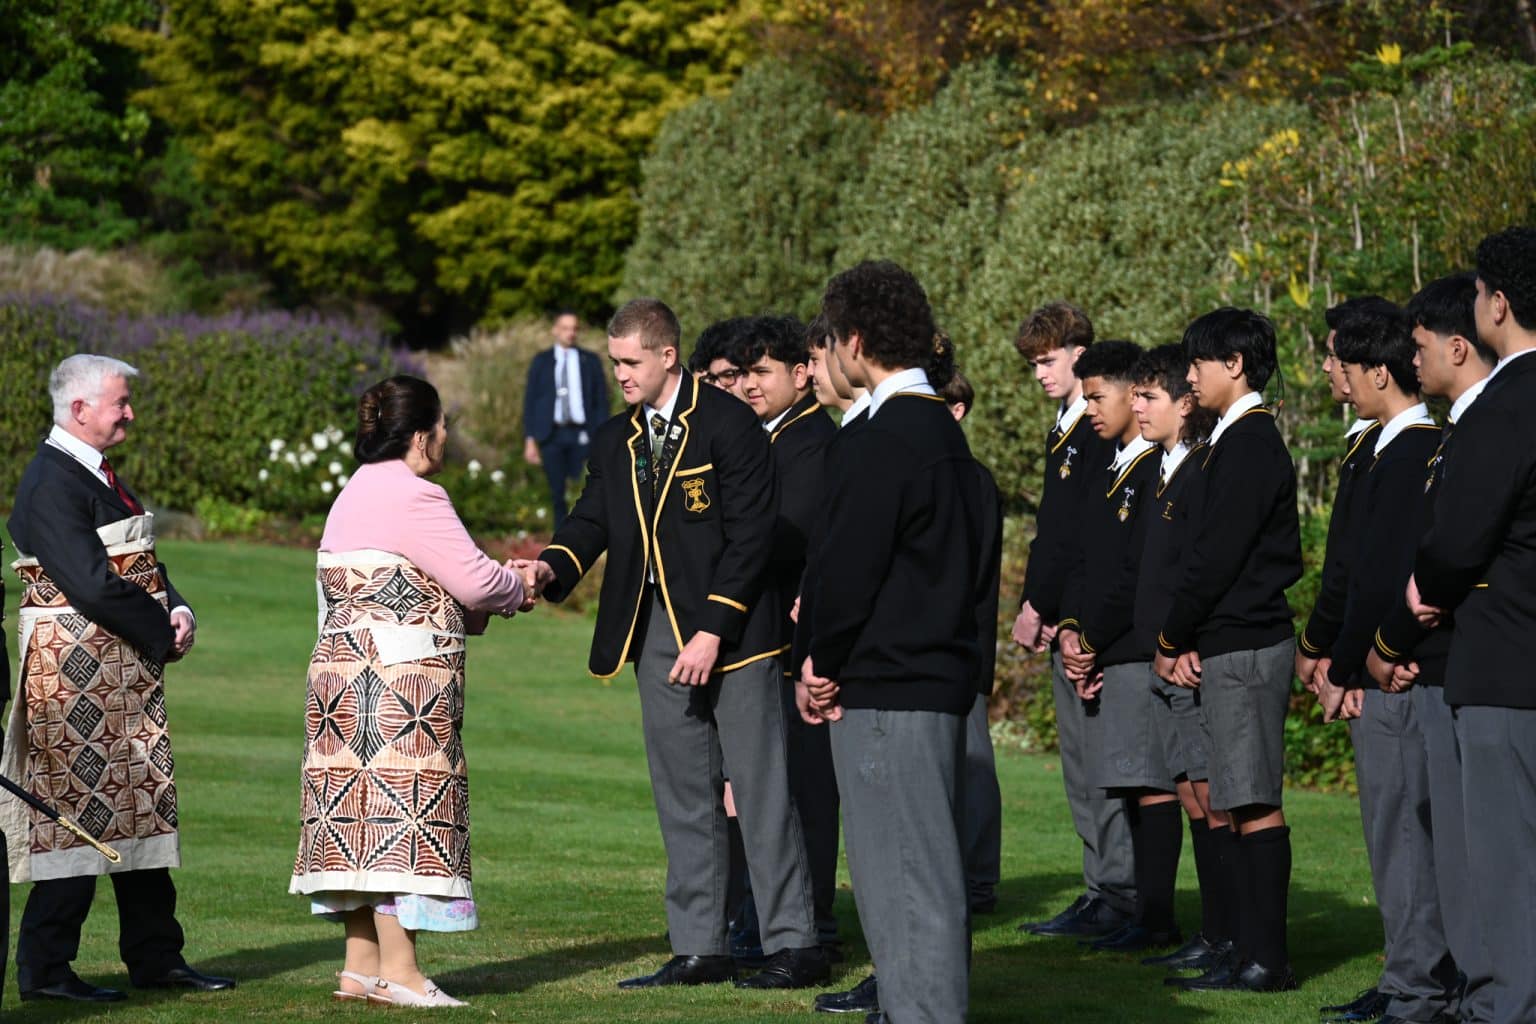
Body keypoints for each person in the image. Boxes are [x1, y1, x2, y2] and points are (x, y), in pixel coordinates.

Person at [521, 298, 827, 991]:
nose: (620, 374)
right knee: (682, 793)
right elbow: (591, 516)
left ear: (666, 356)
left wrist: (714, 629)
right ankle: (699, 947)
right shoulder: (614, 437)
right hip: (651, 628)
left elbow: (752, 535)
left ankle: (794, 943)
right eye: (614, 362)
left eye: (629, 362)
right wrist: (549, 566)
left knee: (760, 789)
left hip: (739, 631)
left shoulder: (730, 424)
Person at [290, 375, 533, 1009]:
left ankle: (360, 964)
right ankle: (400, 969)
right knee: (402, 819)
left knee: (355, 820)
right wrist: (518, 587)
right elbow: (475, 581)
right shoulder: (416, 494)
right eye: (443, 425)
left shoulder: (351, 492)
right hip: (401, 685)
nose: (448, 436)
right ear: (421, 437)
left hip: (341, 680)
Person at [1, 354, 234, 1003]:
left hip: (120, 674)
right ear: (79, 410)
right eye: (119, 403)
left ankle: (157, 957)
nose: (129, 413)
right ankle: (46, 971)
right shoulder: (51, 481)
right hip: (74, 680)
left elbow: (139, 564)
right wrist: (162, 630)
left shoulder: (91, 472)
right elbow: (92, 584)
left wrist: (177, 606)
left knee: (142, 808)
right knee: (79, 817)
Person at [799, 259, 987, 1024]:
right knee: (908, 877)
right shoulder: (935, 432)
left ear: (852, 341)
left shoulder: (884, 436)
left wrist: (821, 663)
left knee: (905, 878)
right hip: (925, 678)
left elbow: (848, 567)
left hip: (887, 685)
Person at [1315, 304, 1458, 1024]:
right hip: (1375, 663)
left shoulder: (1413, 452)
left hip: (1395, 672)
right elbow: (1347, 568)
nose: (1332, 373)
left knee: (1405, 829)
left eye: (1342, 360)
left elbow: (1382, 575)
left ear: (1381, 370)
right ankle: (1406, 971)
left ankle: (1417, 984)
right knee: (1391, 828)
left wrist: (1348, 666)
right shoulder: (1375, 447)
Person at [1408, 226, 1536, 1024]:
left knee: (1505, 860)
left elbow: (1461, 538)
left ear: (1497, 303)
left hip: (1506, 656)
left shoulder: (1508, 402)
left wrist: (1431, 585)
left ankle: (1509, 1006)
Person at [1154, 307, 1302, 994]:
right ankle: (1242, 944)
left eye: (1198, 363)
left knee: (1250, 799)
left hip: (1244, 641)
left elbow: (1215, 557)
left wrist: (1170, 635)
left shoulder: (1249, 444)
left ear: (1234, 364)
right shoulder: (1229, 442)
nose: (1190, 375)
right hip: (1228, 640)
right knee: (1236, 798)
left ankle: (1264, 958)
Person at [1368, 271, 1495, 1024]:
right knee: (1456, 848)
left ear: (1457, 344)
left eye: (1419, 348)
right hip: (1449, 659)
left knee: (1477, 854)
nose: (1412, 363)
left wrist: (1389, 642)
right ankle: (1477, 993)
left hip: (1464, 663)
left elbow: (1444, 556)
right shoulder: (1458, 432)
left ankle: (1484, 998)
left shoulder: (1484, 425)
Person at [1053, 340, 1182, 956]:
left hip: (1132, 647)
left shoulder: (1153, 470)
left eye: (1098, 395)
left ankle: (1154, 915)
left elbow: (1134, 574)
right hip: (1106, 646)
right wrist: (1075, 631)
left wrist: (1095, 638)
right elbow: (1087, 563)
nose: (1091, 408)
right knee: (1130, 782)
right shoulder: (1112, 467)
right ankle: (1142, 913)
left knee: (1151, 783)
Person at [1011, 302, 1135, 940]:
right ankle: (1100, 889)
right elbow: (1050, 533)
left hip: (1087, 625)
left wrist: (1064, 616)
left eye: (1048, 359)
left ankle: (1118, 892)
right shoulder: (1069, 425)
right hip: (1064, 617)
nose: (1040, 373)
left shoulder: (1095, 428)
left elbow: (1086, 539)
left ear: (1080, 354)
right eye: (1033, 364)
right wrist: (1037, 602)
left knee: (1102, 766)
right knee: (1081, 770)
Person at [734, 314, 842, 956]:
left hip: (793, 634)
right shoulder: (772, 434)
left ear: (802, 375)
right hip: (767, 630)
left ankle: (813, 920)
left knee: (805, 785)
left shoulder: (809, 441)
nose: (750, 385)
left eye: (763, 372)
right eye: (744, 373)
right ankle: (769, 914)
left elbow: (789, 530)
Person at [1120, 345, 1228, 972]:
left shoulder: (1200, 469)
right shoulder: (1160, 469)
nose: (1137, 407)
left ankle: (1224, 932)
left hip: (1182, 659)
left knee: (1211, 795)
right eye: (1134, 396)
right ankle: (1214, 933)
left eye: (1148, 396)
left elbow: (1199, 569)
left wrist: (1179, 641)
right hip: (1157, 659)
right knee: (1189, 792)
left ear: (1186, 405)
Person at [523, 310, 611, 527]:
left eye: (574, 328)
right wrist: (530, 439)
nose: (570, 333)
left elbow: (601, 401)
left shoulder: (589, 361)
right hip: (551, 434)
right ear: (555, 330)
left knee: (584, 489)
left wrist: (602, 435)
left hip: (583, 433)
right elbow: (531, 401)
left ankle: (587, 535)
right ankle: (560, 541)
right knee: (557, 492)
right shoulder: (541, 361)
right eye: (565, 328)